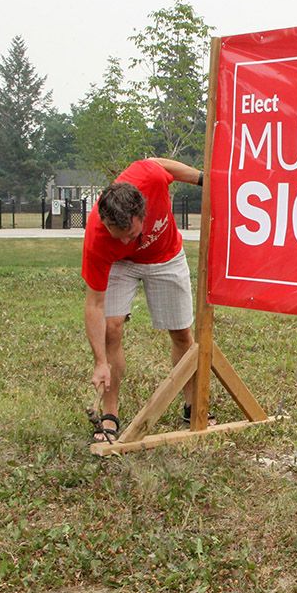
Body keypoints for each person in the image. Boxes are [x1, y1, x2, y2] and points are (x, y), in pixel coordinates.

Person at [82, 158, 206, 441]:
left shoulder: (150, 177)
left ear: (143, 211)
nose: (126, 241)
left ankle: (192, 404)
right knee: (112, 328)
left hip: (165, 255)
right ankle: (110, 414)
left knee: (181, 332)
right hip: (121, 266)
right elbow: (94, 305)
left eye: (132, 234)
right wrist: (100, 362)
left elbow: (161, 164)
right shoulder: (98, 238)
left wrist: (202, 179)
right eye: (119, 236)